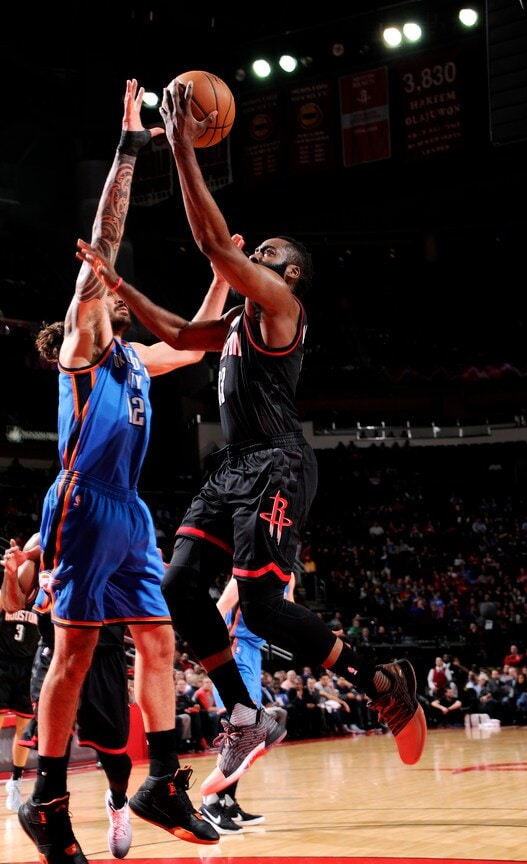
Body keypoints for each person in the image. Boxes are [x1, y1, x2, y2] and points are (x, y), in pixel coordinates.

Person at [76, 74, 427, 798]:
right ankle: (242, 708)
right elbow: (177, 333)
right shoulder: (237, 324)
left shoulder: (281, 309)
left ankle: (380, 679)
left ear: (286, 272)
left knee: (262, 606)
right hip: (231, 468)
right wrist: (121, 286)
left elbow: (212, 246)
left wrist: (179, 146)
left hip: (276, 465)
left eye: (264, 252)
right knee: (175, 583)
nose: (255, 256)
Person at [14, 78, 242, 863]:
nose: (111, 289)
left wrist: (228, 273)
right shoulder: (84, 347)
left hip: (130, 511)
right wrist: (131, 142)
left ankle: (164, 781)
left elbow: (196, 339)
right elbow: (105, 236)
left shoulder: (137, 360)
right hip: (82, 506)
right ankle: (46, 799)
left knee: (157, 638)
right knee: (74, 653)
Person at [1, 533, 133, 858]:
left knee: (115, 756)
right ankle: (54, 829)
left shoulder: (118, 535)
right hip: (54, 654)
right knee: (50, 748)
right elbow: (13, 604)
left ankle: (118, 802)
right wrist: (9, 572)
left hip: (104, 654)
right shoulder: (40, 546)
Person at [200, 573, 296, 834]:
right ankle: (210, 801)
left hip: (253, 654)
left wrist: (319, 634)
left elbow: (290, 613)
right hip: (236, 650)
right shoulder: (248, 570)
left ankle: (227, 801)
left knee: (248, 736)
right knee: (241, 733)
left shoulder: (289, 576)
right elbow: (219, 611)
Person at [0, 537, 39, 812]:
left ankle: (15, 780)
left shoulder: (44, 593)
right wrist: (10, 574)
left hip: (29, 666)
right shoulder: (8, 588)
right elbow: (7, 603)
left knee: (25, 727)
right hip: (3, 662)